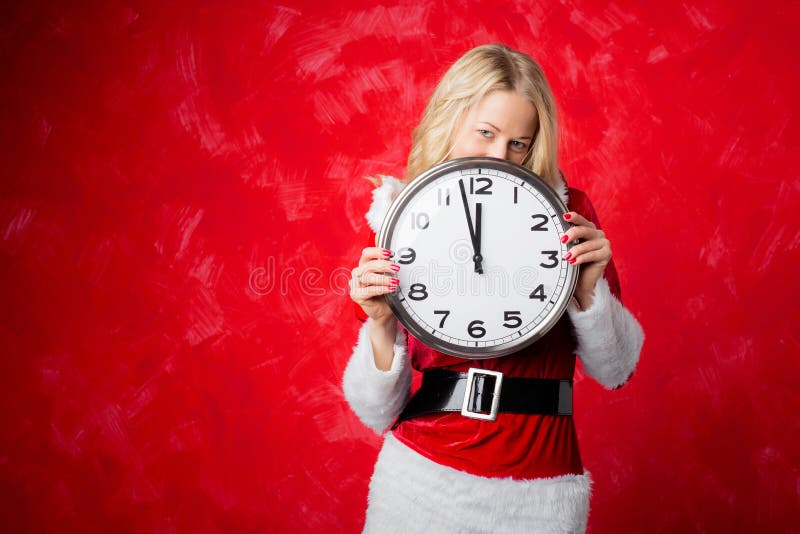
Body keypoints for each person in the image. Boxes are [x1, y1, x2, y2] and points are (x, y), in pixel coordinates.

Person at [343, 44, 644, 533]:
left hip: (540, 489)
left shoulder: (567, 215)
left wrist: (589, 292)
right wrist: (380, 323)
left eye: (518, 143)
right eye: (485, 133)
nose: (500, 156)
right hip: (423, 482)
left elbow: (616, 370)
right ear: (450, 119)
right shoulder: (396, 220)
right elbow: (378, 410)